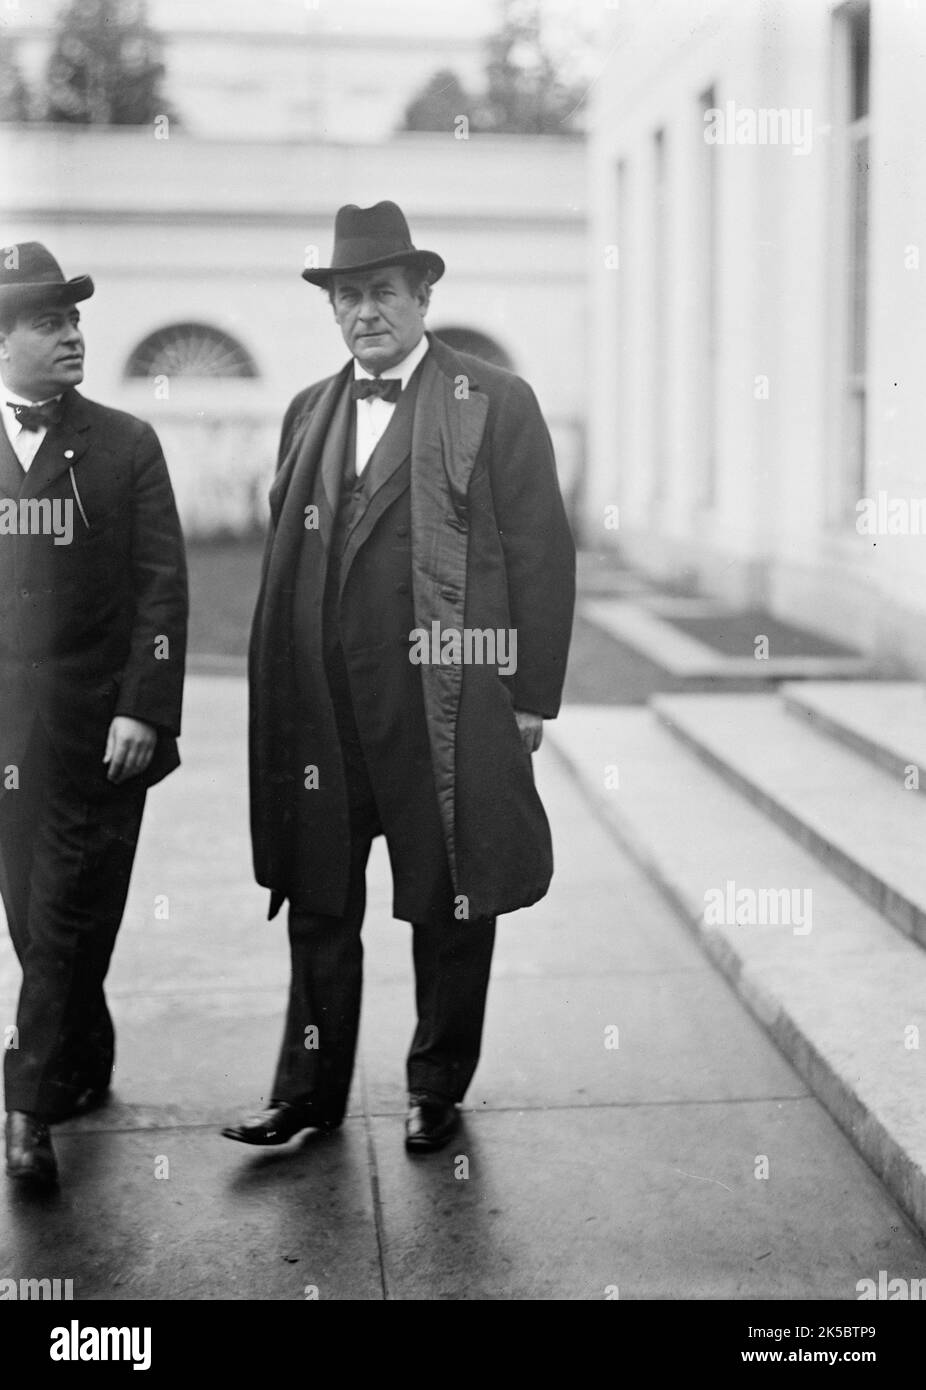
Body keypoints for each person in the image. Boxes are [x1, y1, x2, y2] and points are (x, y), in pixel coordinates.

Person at [223, 201, 574, 1155]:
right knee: (319, 901)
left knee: (451, 899)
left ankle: (435, 1087)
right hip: (324, 711)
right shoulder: (309, 410)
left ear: (424, 295)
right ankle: (306, 1093)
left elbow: (541, 550)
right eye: (347, 296)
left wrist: (532, 691)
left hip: (445, 700)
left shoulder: (494, 401)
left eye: (382, 291)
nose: (363, 312)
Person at [0, 242, 188, 1187]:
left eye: (74, 316)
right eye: (47, 320)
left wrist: (143, 708)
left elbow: (162, 591)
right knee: (37, 927)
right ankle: (82, 1052)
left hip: (98, 734)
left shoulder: (124, 445)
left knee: (64, 915)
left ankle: (25, 1111)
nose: (72, 332)